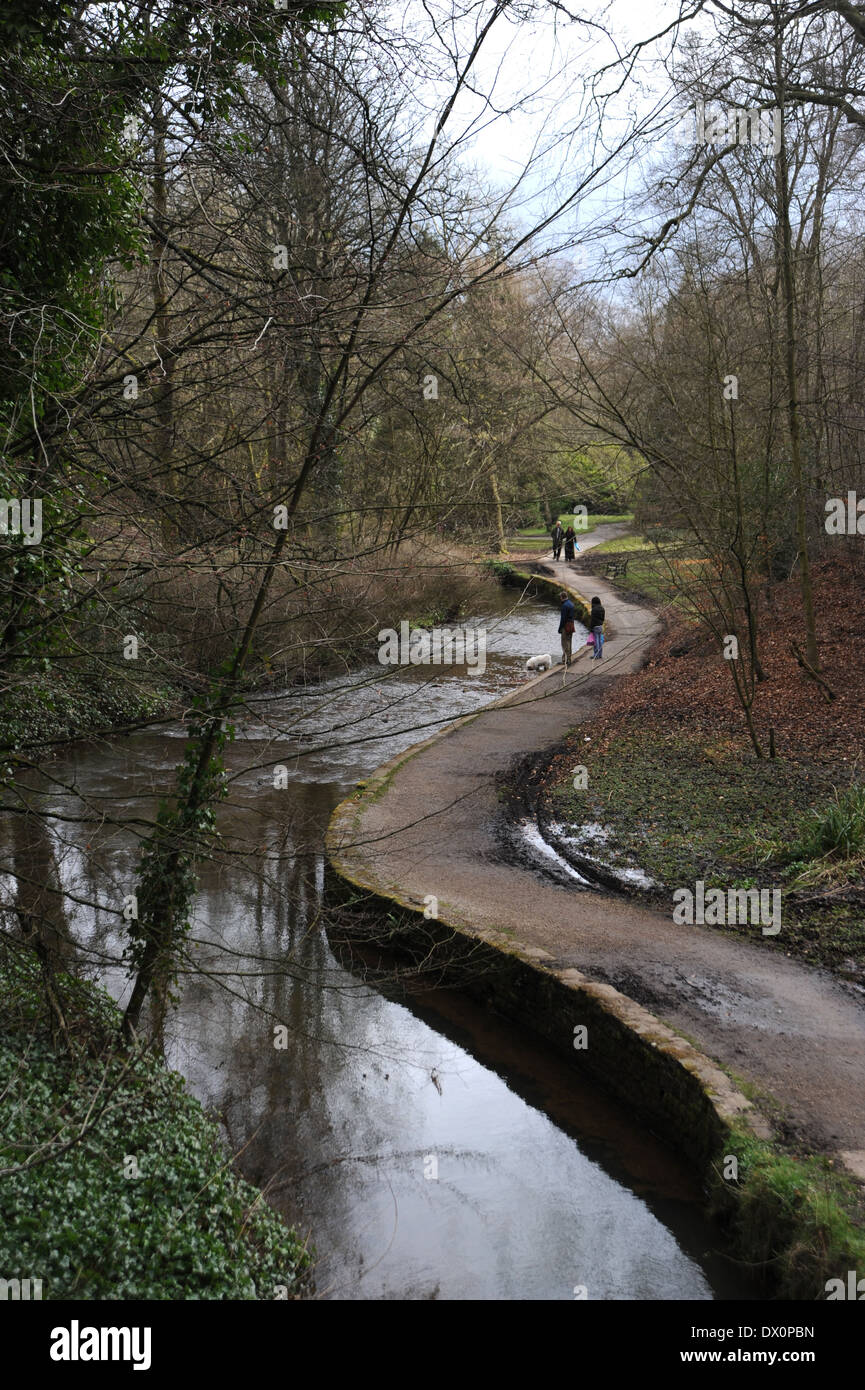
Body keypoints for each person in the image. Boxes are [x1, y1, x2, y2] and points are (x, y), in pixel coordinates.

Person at [558, 591, 576, 666]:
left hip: (566, 626)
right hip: (571, 624)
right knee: (569, 642)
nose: (560, 598)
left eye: (560, 597)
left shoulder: (564, 606)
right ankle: (568, 659)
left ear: (562, 597)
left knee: (564, 643)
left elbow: (563, 619)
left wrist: (560, 628)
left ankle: (565, 660)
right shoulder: (571, 604)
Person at [589, 595, 605, 659]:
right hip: (600, 626)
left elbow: (592, 620)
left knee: (596, 642)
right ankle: (600, 654)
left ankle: (596, 655)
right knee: (600, 641)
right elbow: (603, 618)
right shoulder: (602, 608)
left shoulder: (594, 609)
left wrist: (591, 628)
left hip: (595, 627)